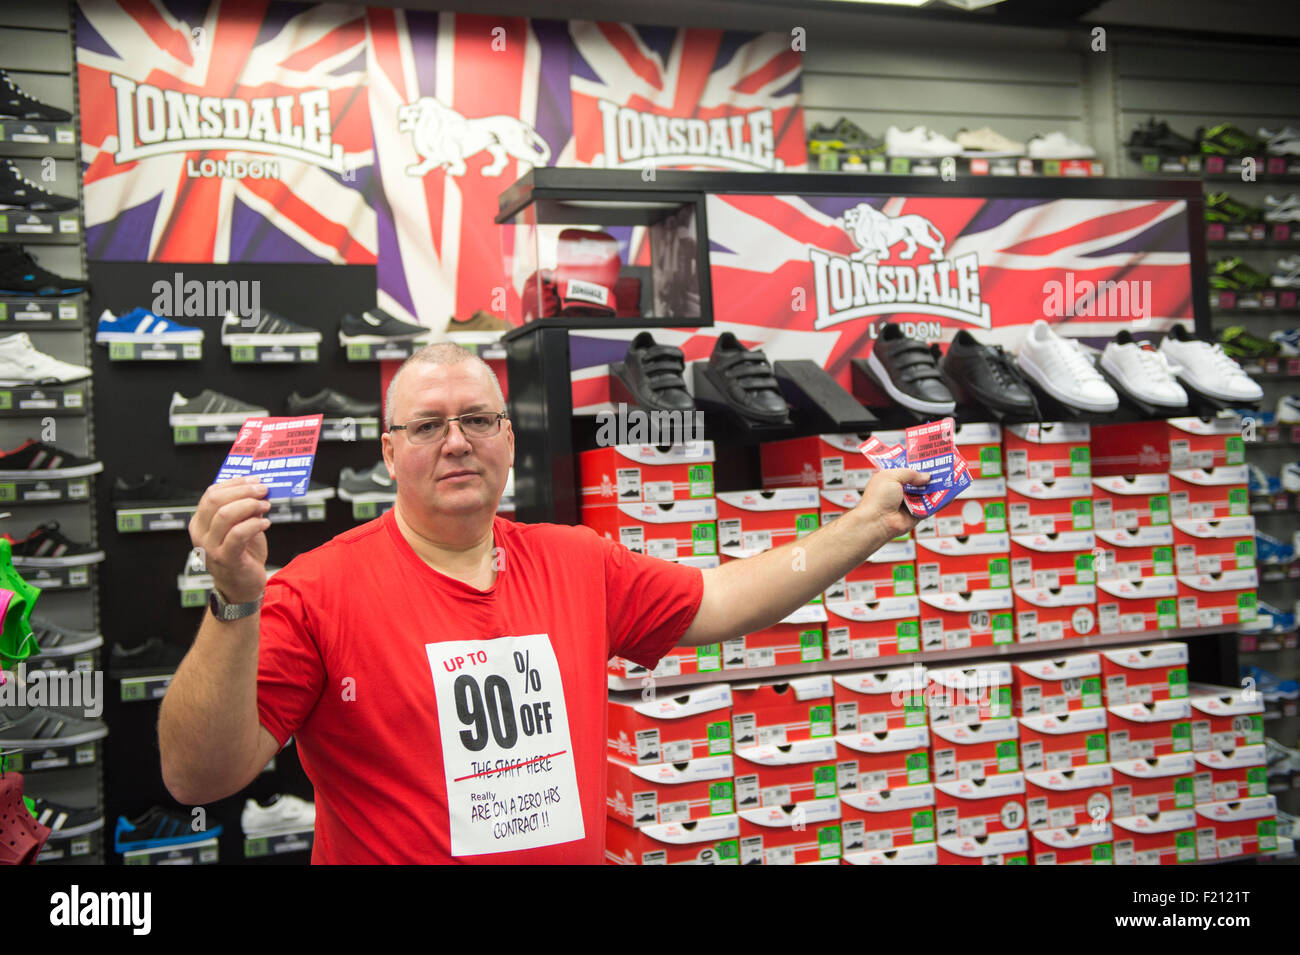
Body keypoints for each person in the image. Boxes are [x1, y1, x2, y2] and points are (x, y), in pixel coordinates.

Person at [159, 342, 928, 864]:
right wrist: (233, 602)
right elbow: (198, 776)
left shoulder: (574, 558)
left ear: (509, 438)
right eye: (428, 425)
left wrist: (865, 524)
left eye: (479, 420)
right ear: (390, 452)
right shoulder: (317, 589)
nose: (457, 441)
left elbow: (719, 597)